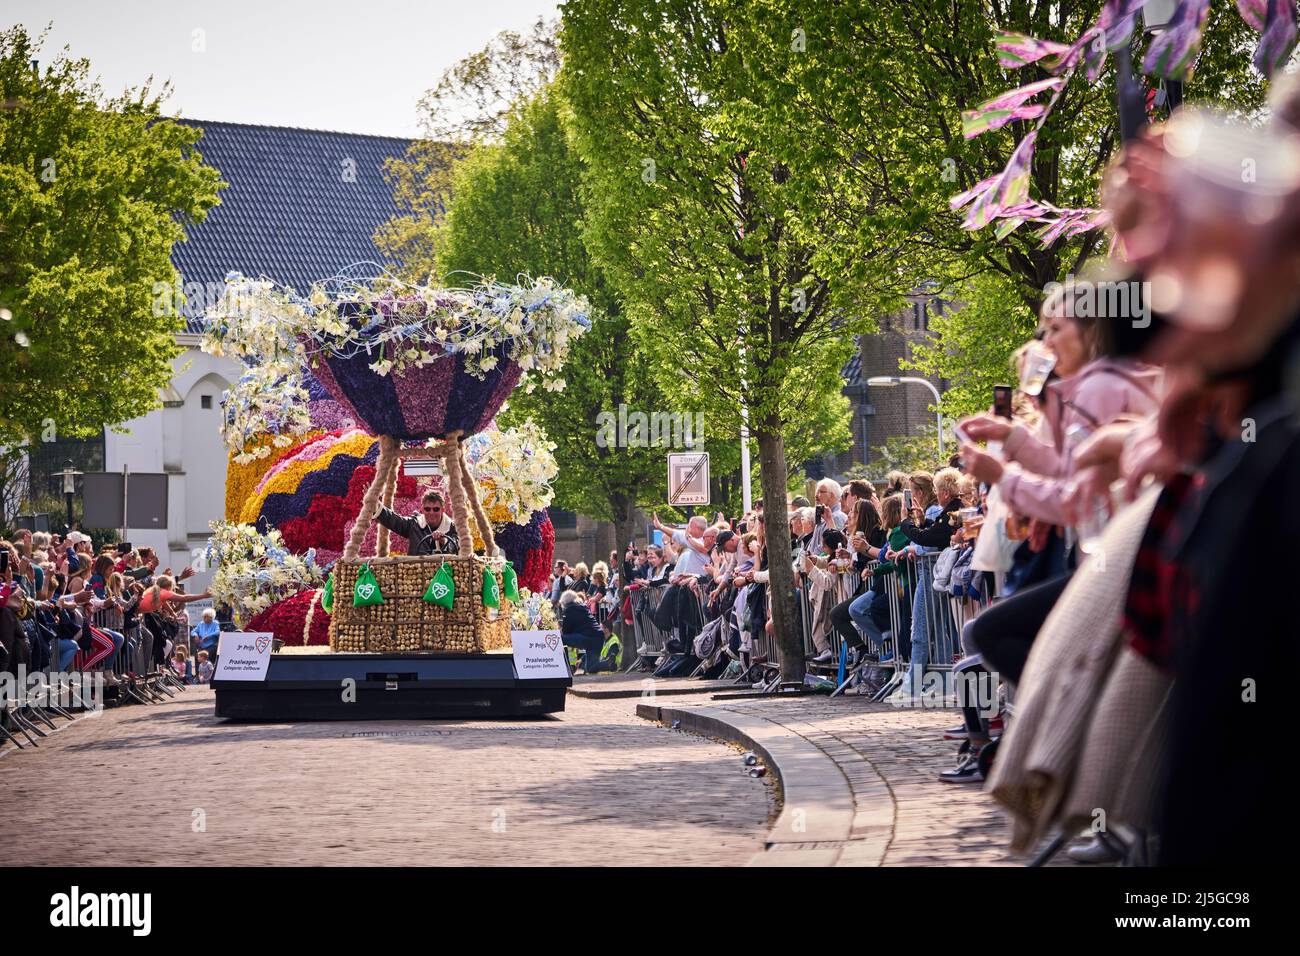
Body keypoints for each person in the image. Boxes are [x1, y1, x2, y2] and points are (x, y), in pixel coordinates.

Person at [374, 490, 459, 556]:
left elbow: (455, 546)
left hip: (444, 576)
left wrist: (443, 540)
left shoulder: (452, 527)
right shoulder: (414, 524)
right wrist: (375, 504)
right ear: (422, 510)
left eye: (436, 509)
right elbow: (394, 520)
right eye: (427, 509)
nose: (431, 513)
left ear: (443, 510)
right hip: (416, 575)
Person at [558, 590, 606, 673]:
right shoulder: (583, 606)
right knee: (591, 669)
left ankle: (565, 667)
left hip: (586, 638)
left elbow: (566, 631)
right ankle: (608, 664)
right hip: (598, 636)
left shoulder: (569, 609)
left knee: (560, 639)